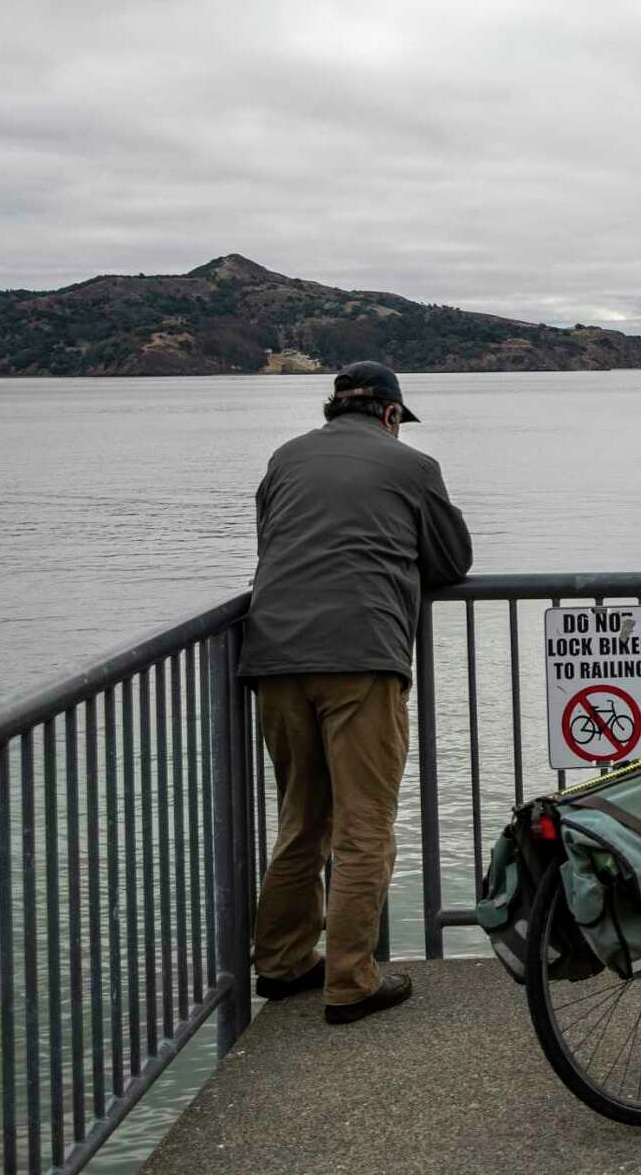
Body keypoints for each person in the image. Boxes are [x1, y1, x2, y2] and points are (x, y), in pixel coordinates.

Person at [239, 361, 473, 1024]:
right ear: (391, 415)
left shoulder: (283, 459)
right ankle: (350, 979)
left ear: (332, 409)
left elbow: (270, 543)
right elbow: (453, 561)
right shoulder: (413, 468)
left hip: (275, 654)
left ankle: (282, 963)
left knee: (301, 820)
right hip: (360, 655)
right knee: (365, 826)